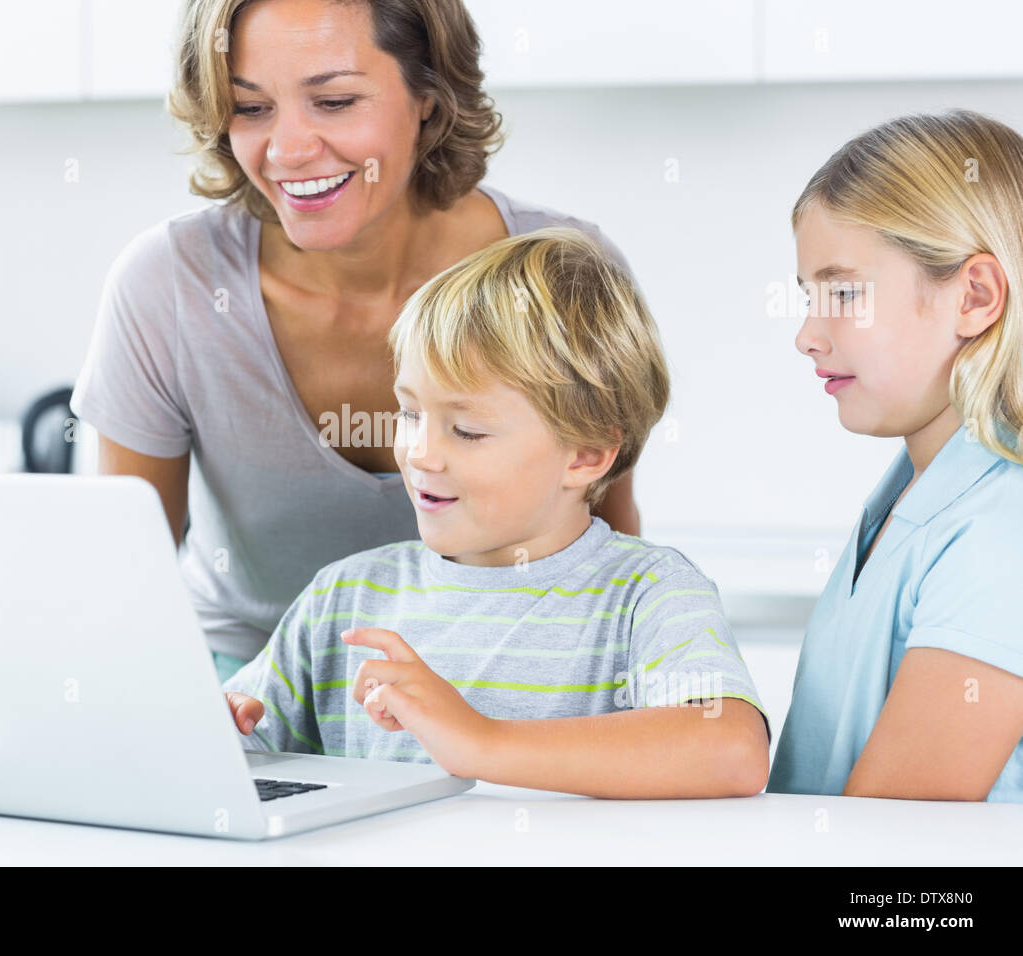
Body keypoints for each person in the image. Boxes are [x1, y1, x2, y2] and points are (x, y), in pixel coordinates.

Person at [68, 0, 643, 683]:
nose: (288, 150)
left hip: (500, 680)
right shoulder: (170, 285)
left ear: (427, 95)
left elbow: (610, 547)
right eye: (251, 109)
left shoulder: (557, 274)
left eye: (335, 101)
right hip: (245, 692)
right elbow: (124, 578)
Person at [221, 227, 771, 797]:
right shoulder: (345, 599)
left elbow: (731, 750)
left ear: (585, 454)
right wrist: (216, 729)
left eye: (467, 430)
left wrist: (478, 741)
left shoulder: (646, 595)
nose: (420, 452)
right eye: (409, 413)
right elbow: (240, 757)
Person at [768, 109, 1023, 802]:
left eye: (844, 292)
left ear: (974, 297)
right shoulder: (915, 491)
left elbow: (899, 844)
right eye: (807, 297)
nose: (808, 337)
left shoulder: (1004, 524)